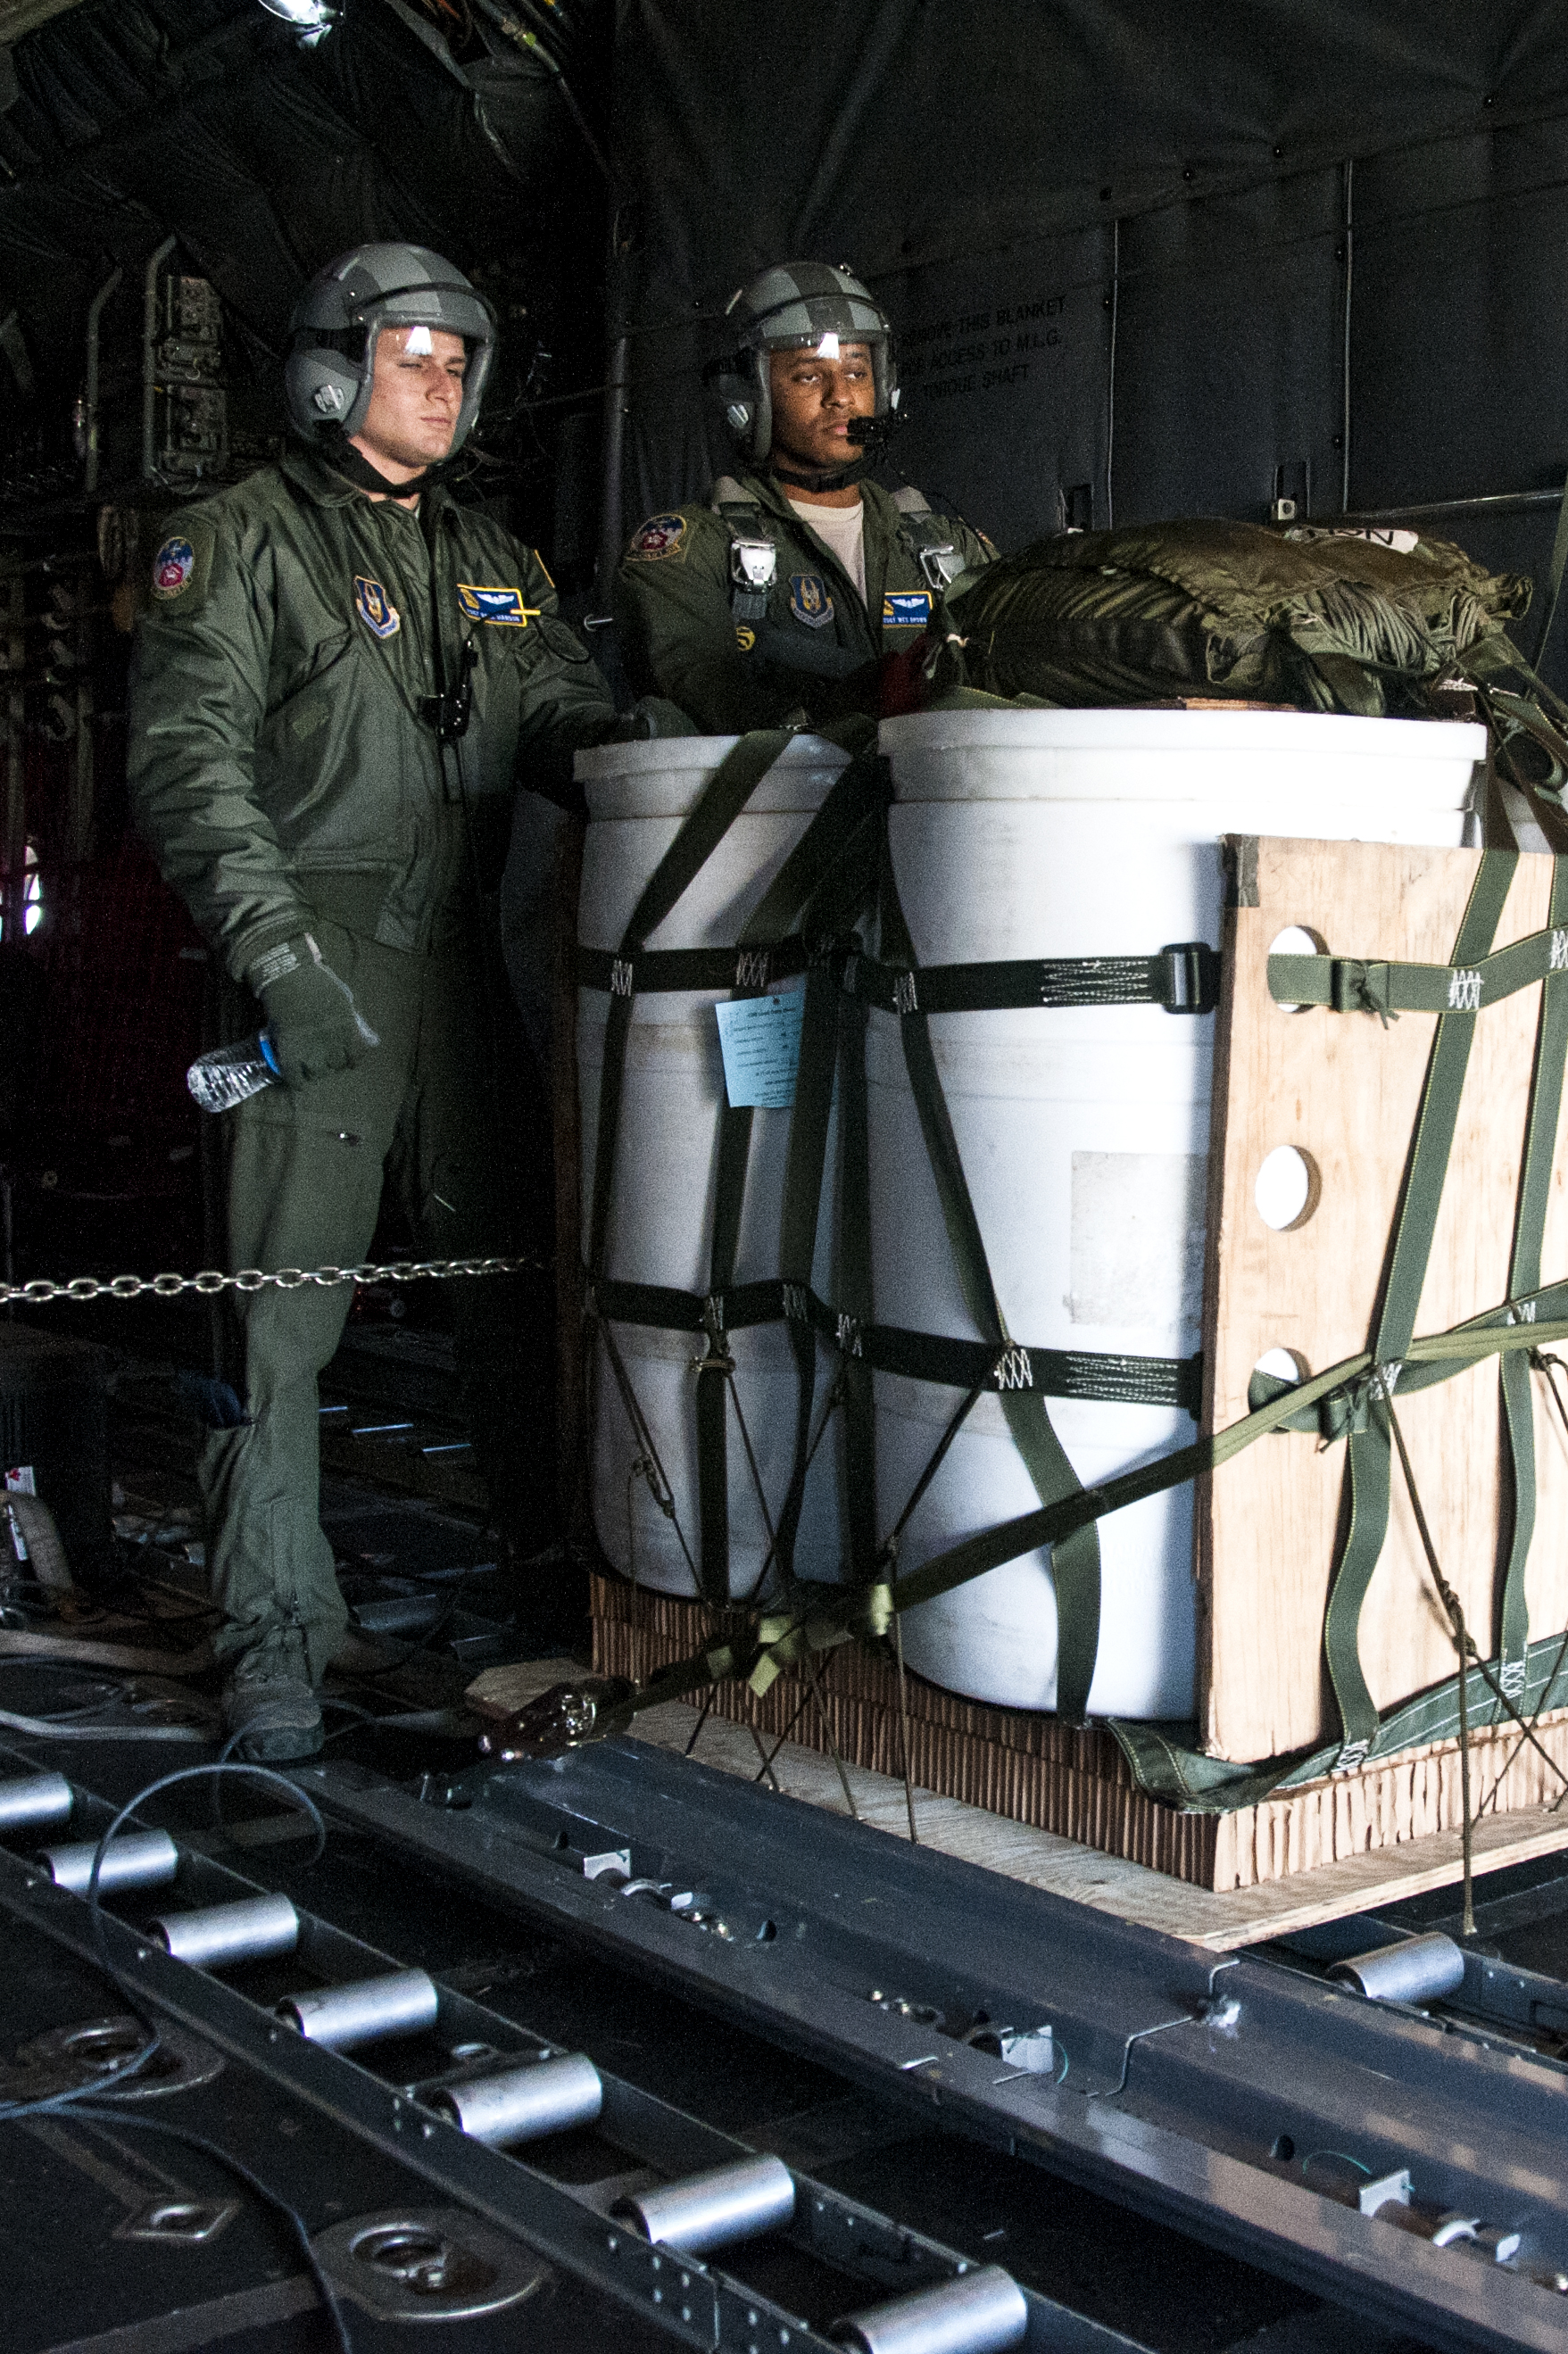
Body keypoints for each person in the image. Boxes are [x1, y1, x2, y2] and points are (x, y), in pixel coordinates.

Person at [130, 242, 618, 1761]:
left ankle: (556, 1606)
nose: (444, 384)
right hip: (320, 958)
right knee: (276, 1325)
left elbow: (560, 717)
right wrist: (279, 959)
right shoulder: (236, 543)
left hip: (461, 960)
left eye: (460, 363)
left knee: (516, 1296)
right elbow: (189, 767)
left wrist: (675, 754)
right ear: (333, 366)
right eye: (415, 355)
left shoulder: (496, 559)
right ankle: (275, 1635)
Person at [614, 261, 991, 737]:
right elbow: (710, 692)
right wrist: (877, 700)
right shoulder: (690, 552)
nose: (841, 397)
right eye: (810, 377)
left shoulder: (945, 547)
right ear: (750, 397)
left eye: (857, 372)